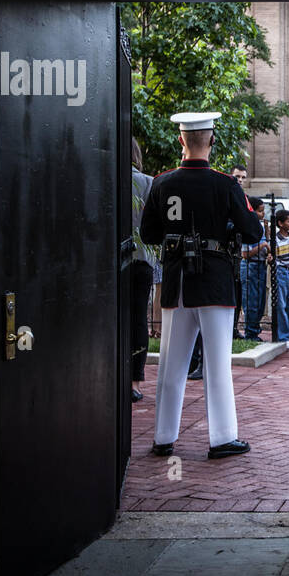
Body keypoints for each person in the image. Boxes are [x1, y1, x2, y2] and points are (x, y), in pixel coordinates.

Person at [139, 110, 262, 459]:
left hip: (177, 281)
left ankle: (163, 437)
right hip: (215, 283)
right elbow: (253, 230)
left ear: (181, 140)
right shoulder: (226, 184)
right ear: (211, 140)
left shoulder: (161, 183)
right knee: (217, 363)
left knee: (171, 363)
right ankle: (221, 438)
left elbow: (148, 233)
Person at [130, 138, 159, 403]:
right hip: (142, 259)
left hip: (115, 260)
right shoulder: (149, 183)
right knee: (139, 319)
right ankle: (135, 380)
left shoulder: (109, 179)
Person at [231, 165, 268, 340]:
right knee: (240, 298)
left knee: (246, 298)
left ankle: (244, 330)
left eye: (243, 177)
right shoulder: (231, 195)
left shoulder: (245, 199)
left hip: (246, 259)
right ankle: (238, 330)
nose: (240, 180)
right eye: (237, 176)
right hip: (237, 257)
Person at [269, 208, 289, 349]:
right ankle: (283, 336)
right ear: (280, 223)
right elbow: (272, 258)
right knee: (281, 304)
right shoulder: (275, 240)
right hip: (282, 272)